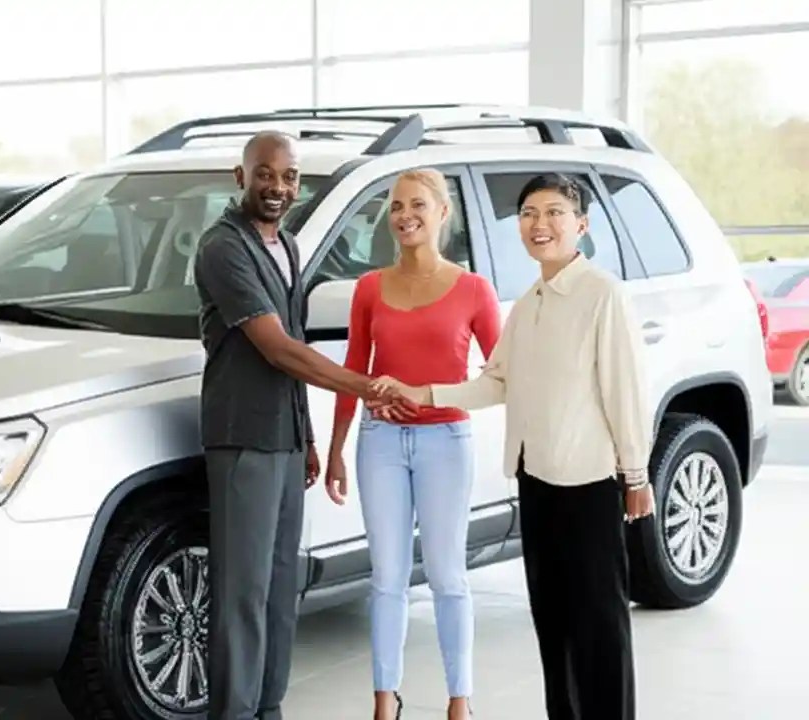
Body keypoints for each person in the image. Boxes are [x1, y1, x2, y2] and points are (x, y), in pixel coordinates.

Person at [370, 172, 655, 720]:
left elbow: (625, 390)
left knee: (599, 627)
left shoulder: (602, 294)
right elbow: (495, 382)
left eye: (553, 213)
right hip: (537, 479)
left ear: (581, 225)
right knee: (553, 622)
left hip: (589, 482)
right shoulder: (529, 303)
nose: (539, 224)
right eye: (528, 214)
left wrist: (636, 476)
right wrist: (421, 392)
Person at [194, 130, 388, 720]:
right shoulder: (222, 247)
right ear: (241, 177)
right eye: (265, 174)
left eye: (289, 176)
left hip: (282, 437)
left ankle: (268, 707)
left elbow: (296, 340)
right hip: (243, 438)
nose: (278, 187)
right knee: (243, 592)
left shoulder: (289, 246)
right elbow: (277, 348)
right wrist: (364, 386)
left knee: (281, 588)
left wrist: (305, 435)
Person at [324, 169, 501, 720]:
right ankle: (384, 700)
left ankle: (459, 701)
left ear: (442, 213)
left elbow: (501, 375)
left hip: (446, 441)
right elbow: (355, 369)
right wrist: (337, 448)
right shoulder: (369, 288)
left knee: (447, 575)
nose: (405, 215)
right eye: (396, 207)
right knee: (387, 578)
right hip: (379, 443)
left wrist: (432, 396)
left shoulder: (474, 290)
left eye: (418, 205)